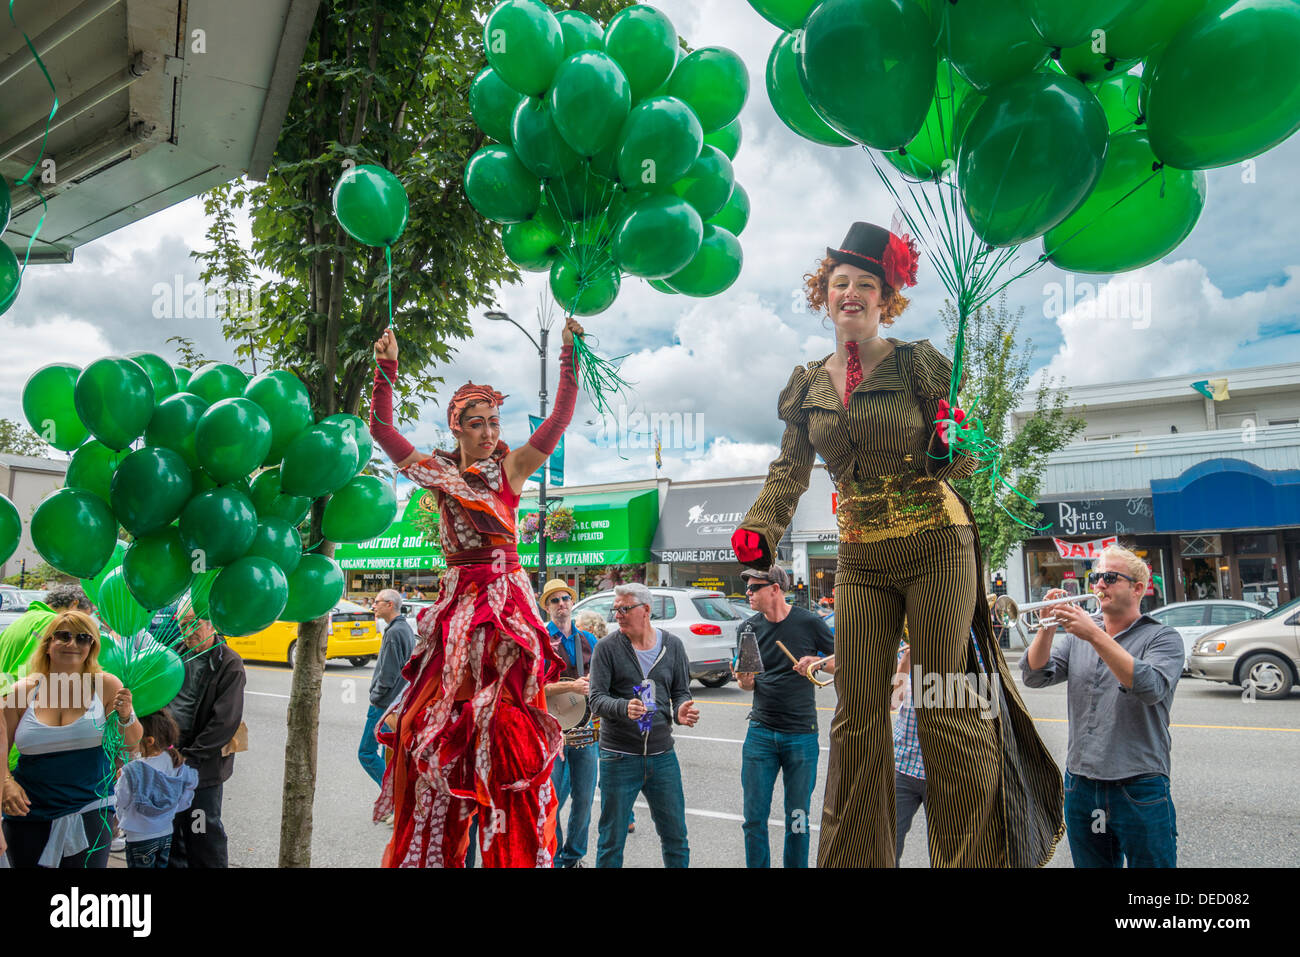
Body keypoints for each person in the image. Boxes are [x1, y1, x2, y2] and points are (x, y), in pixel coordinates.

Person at [732, 221, 1063, 867]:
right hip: (862, 555)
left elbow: (966, 455)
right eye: (840, 283)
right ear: (823, 296)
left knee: (944, 698)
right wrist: (760, 527)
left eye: (866, 283)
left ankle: (974, 861)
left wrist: (949, 445)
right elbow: (789, 471)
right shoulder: (806, 384)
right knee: (856, 713)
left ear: (886, 299)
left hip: (936, 541)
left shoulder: (919, 363)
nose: (851, 293)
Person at [368, 318, 585, 868]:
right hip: (456, 606)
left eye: (493, 422)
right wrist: (386, 369)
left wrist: (568, 356)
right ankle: (445, 822)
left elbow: (560, 418)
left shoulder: (511, 470)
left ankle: (511, 829)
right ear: (457, 429)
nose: (488, 432)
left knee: (506, 717)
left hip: (503, 604)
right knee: (434, 717)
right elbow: (383, 431)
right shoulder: (439, 475)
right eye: (476, 423)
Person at [1021, 545, 1184, 868]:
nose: (1099, 585)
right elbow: (1035, 676)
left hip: (1138, 785)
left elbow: (1150, 687)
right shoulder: (1081, 634)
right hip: (1082, 785)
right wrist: (1047, 629)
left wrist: (1095, 636)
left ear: (1137, 588)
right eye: (1095, 577)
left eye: (1110, 577)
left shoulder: (1162, 638)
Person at [1, 609, 141, 867]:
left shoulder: (106, 685)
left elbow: (131, 745)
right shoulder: (22, 691)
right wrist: (6, 782)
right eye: (63, 636)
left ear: (92, 647)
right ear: (47, 644)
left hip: (90, 808)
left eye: (83, 638)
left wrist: (126, 715)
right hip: (27, 811)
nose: (72, 644)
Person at [587, 583, 699, 868]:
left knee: (676, 837)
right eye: (615, 609)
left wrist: (681, 710)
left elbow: (680, 691)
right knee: (611, 841)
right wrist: (623, 707)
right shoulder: (606, 648)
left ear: (646, 610)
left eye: (624, 609)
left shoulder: (673, 646)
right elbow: (596, 699)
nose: (617, 615)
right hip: (618, 756)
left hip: (662, 756)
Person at [731, 565, 833, 868]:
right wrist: (744, 679)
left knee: (798, 818)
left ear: (775, 589)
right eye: (747, 588)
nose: (748, 593)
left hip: (801, 733)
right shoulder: (747, 628)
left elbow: (840, 661)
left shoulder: (809, 623)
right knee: (753, 819)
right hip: (760, 732)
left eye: (754, 588)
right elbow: (747, 684)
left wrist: (815, 662)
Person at [168, 606, 246, 868]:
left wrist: (191, 757)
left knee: (202, 830)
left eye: (194, 624)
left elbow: (224, 721)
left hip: (202, 765)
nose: (187, 631)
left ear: (212, 625)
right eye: (183, 625)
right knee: (172, 830)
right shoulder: (174, 653)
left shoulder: (228, 663)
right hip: (170, 756)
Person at [540, 578, 598, 868]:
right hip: (553, 731)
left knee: (584, 797)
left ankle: (573, 857)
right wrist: (571, 687)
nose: (561, 604)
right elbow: (534, 689)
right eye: (555, 600)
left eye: (565, 598)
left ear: (572, 603)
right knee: (552, 799)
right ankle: (553, 854)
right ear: (547, 607)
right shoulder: (540, 639)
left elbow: (604, 679)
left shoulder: (588, 640)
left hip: (585, 727)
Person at [115, 708, 198, 868]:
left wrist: (119, 781)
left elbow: (121, 800)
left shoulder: (132, 770)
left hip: (139, 837)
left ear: (149, 741)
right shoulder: (174, 760)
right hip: (165, 833)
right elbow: (186, 793)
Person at [360, 589, 416, 789]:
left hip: (385, 704)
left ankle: (391, 794)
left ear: (389, 605)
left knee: (366, 752)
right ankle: (394, 796)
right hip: (397, 702)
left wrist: (376, 696)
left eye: (377, 602)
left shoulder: (394, 632)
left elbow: (388, 674)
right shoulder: (403, 628)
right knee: (389, 753)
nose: (373, 606)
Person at [0, 584, 93, 687]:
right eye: (81, 617)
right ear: (74, 604)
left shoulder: (26, 618)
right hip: (18, 692)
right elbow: (33, 665)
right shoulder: (52, 622)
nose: (80, 625)